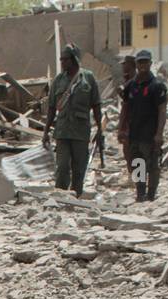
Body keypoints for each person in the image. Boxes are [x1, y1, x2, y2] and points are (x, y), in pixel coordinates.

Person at [42, 44, 102, 199]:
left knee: (79, 167)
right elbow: (51, 108)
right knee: (62, 167)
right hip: (62, 130)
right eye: (61, 59)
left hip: (81, 131)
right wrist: (46, 132)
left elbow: (96, 105)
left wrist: (100, 129)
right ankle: (61, 197)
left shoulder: (87, 78)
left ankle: (76, 197)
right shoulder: (58, 80)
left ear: (74, 59)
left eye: (65, 59)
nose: (62, 62)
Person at [119, 49, 167, 203]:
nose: (143, 65)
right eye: (140, 62)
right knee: (137, 164)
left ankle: (151, 195)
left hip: (150, 133)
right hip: (134, 134)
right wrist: (121, 129)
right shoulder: (130, 86)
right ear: (137, 64)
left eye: (146, 62)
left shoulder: (157, 86)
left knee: (152, 166)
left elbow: (162, 111)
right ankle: (140, 193)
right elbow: (125, 108)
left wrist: (159, 133)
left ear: (150, 63)